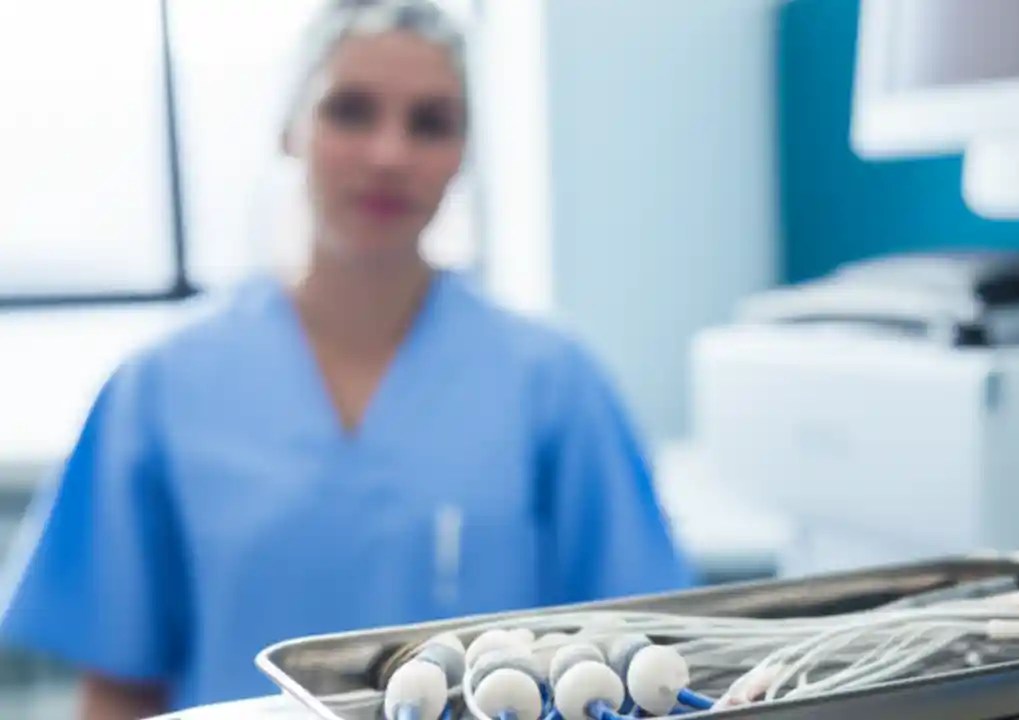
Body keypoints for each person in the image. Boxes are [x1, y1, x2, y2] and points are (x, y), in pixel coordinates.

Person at [0, 1, 693, 716]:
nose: (389, 154)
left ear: (464, 152)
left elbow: (643, 656)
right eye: (351, 111)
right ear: (288, 130)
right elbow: (119, 688)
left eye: (429, 123)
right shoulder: (160, 389)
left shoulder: (553, 384)